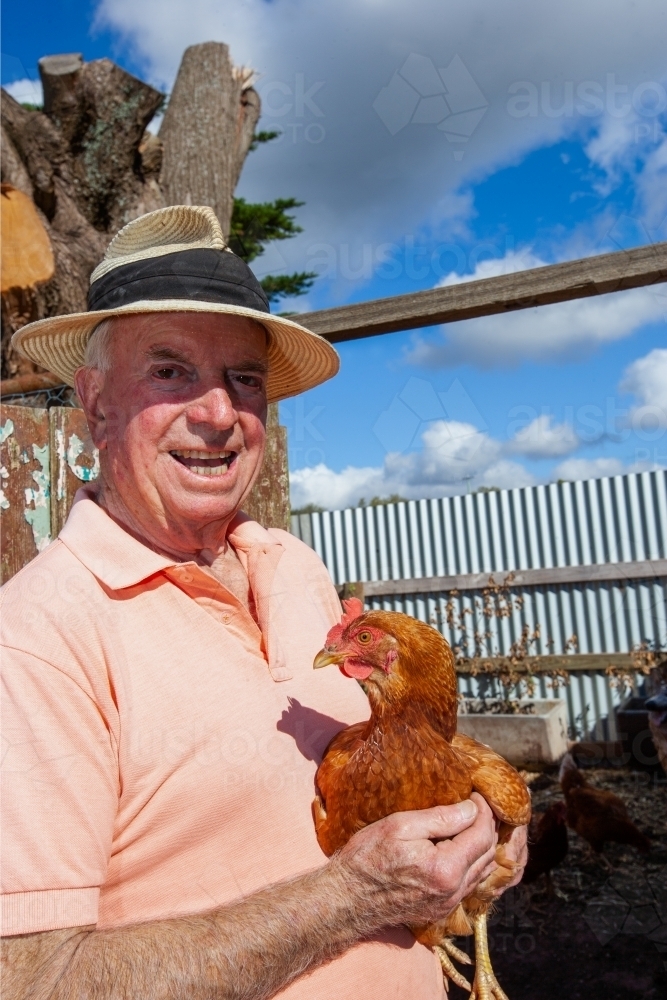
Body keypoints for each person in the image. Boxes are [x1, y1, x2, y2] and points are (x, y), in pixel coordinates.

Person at [1, 205, 527, 1000]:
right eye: (171, 369)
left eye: (242, 378)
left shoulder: (294, 567)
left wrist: (482, 842)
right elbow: (33, 982)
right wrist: (351, 898)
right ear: (98, 403)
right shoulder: (39, 639)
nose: (217, 413)